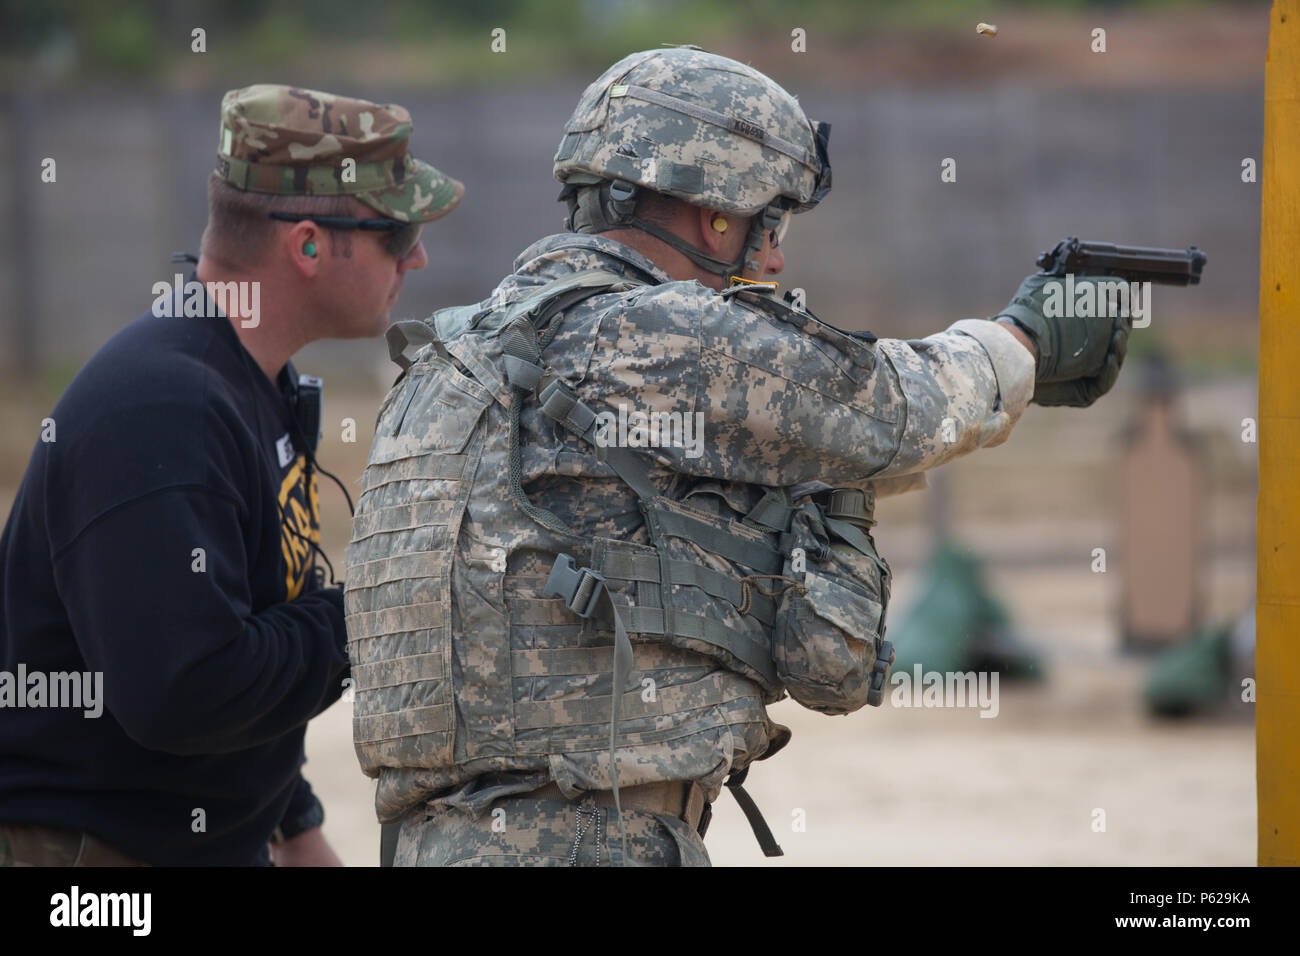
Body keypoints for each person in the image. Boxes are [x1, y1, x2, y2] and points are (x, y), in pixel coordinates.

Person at [345, 47, 1130, 867]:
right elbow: (883, 411)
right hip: (582, 840)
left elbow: (798, 450)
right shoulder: (648, 334)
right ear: (715, 214)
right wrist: (1024, 344)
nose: (776, 256)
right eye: (772, 221)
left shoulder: (453, 353)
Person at [0, 84, 461, 866]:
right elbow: (189, 690)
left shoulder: (245, 380)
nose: (416, 256)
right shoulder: (162, 409)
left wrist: (299, 828)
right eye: (397, 230)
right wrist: (369, 616)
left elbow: (251, 621)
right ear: (308, 245)